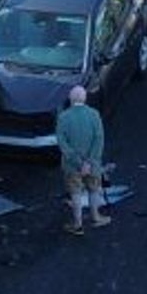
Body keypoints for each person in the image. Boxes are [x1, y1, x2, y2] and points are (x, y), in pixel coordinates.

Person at [55, 85, 109, 235]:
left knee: (76, 193)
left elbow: (62, 143)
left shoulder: (63, 117)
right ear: (84, 98)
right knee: (93, 190)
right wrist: (89, 162)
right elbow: (99, 139)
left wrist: (78, 163)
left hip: (72, 166)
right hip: (93, 164)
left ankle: (77, 225)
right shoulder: (94, 114)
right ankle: (96, 217)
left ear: (71, 99)